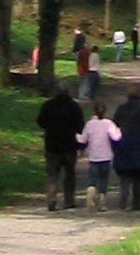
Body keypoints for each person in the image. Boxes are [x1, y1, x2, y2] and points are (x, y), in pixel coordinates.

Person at [36, 79, 86, 212]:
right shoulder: (74, 106)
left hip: (52, 144)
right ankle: (69, 200)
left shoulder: (48, 105)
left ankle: (52, 199)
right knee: (70, 173)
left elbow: (40, 122)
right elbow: (80, 126)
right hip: (69, 145)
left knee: (52, 174)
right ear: (68, 92)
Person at [77, 100, 121, 213]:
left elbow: (83, 139)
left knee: (93, 178)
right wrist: (119, 131)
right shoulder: (108, 123)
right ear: (104, 111)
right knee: (103, 179)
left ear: (94, 111)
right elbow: (116, 138)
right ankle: (102, 201)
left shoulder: (89, 124)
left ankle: (90, 191)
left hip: (93, 157)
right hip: (106, 156)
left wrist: (76, 136)